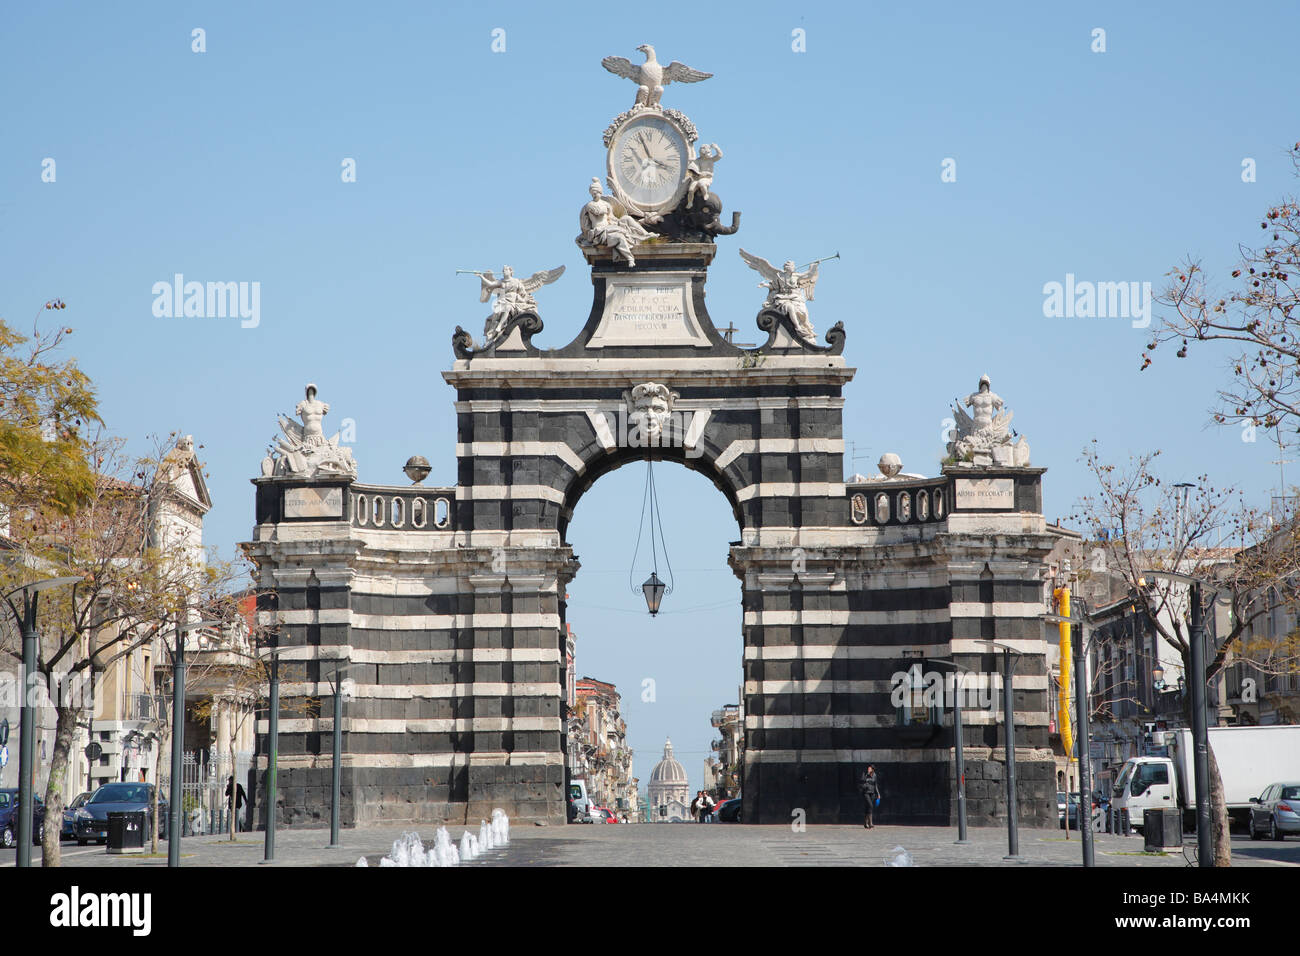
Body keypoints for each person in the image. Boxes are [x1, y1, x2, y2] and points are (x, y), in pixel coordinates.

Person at [859, 764, 880, 829]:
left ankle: (865, 823)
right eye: (868, 768)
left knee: (868, 808)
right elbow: (862, 781)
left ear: (872, 769)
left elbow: (875, 785)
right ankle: (870, 823)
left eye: (870, 768)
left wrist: (878, 794)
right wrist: (866, 774)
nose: (868, 769)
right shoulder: (865, 774)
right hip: (866, 792)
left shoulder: (874, 775)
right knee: (870, 805)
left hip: (872, 793)